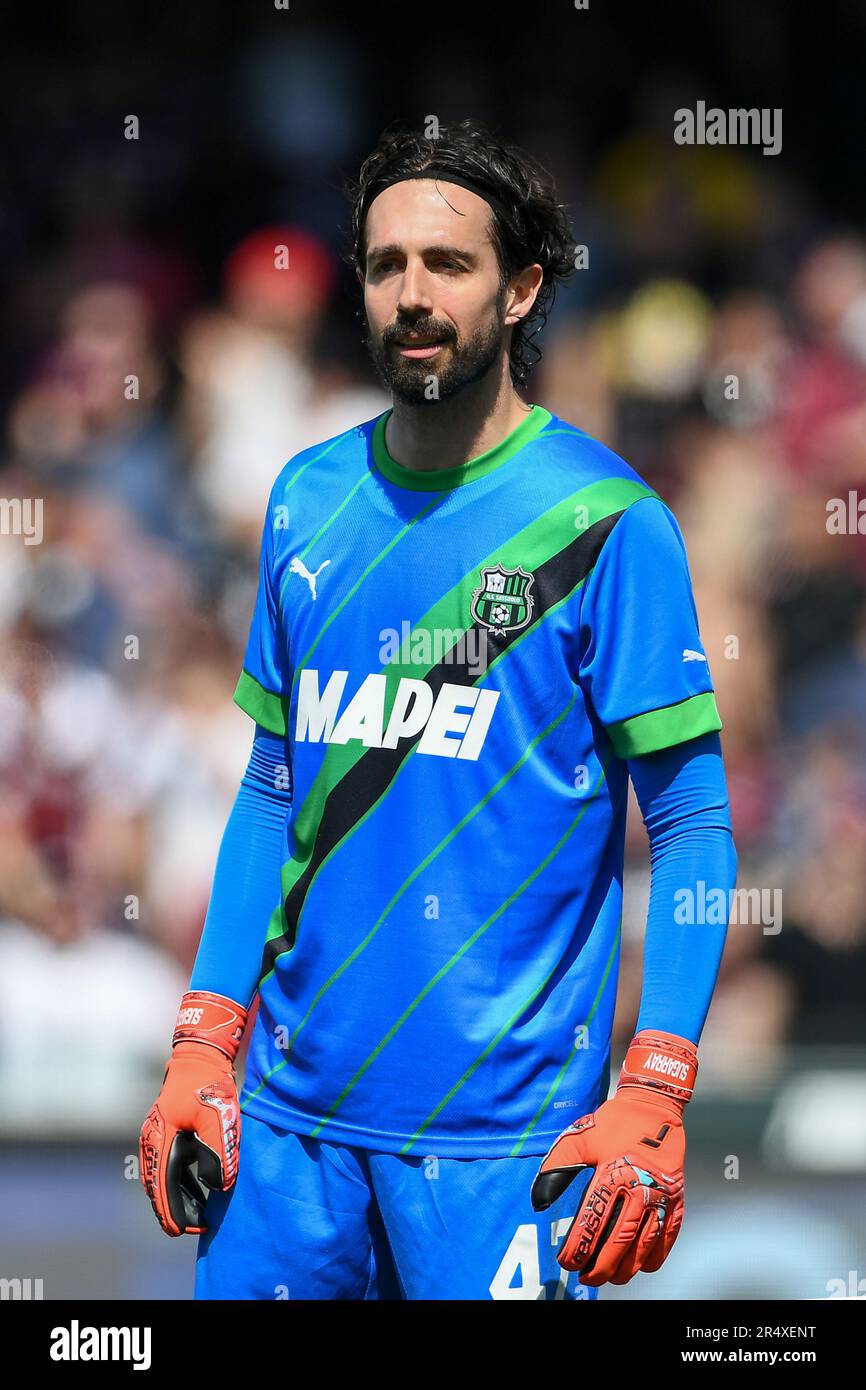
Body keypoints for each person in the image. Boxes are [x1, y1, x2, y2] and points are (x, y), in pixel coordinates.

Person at [139, 120, 737, 1301]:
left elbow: (693, 826)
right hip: (287, 1135)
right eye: (384, 265)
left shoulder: (608, 525)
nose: (411, 294)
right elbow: (270, 793)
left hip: (504, 1155)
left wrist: (656, 1080)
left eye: (447, 265)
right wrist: (206, 1036)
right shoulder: (305, 501)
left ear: (520, 290)